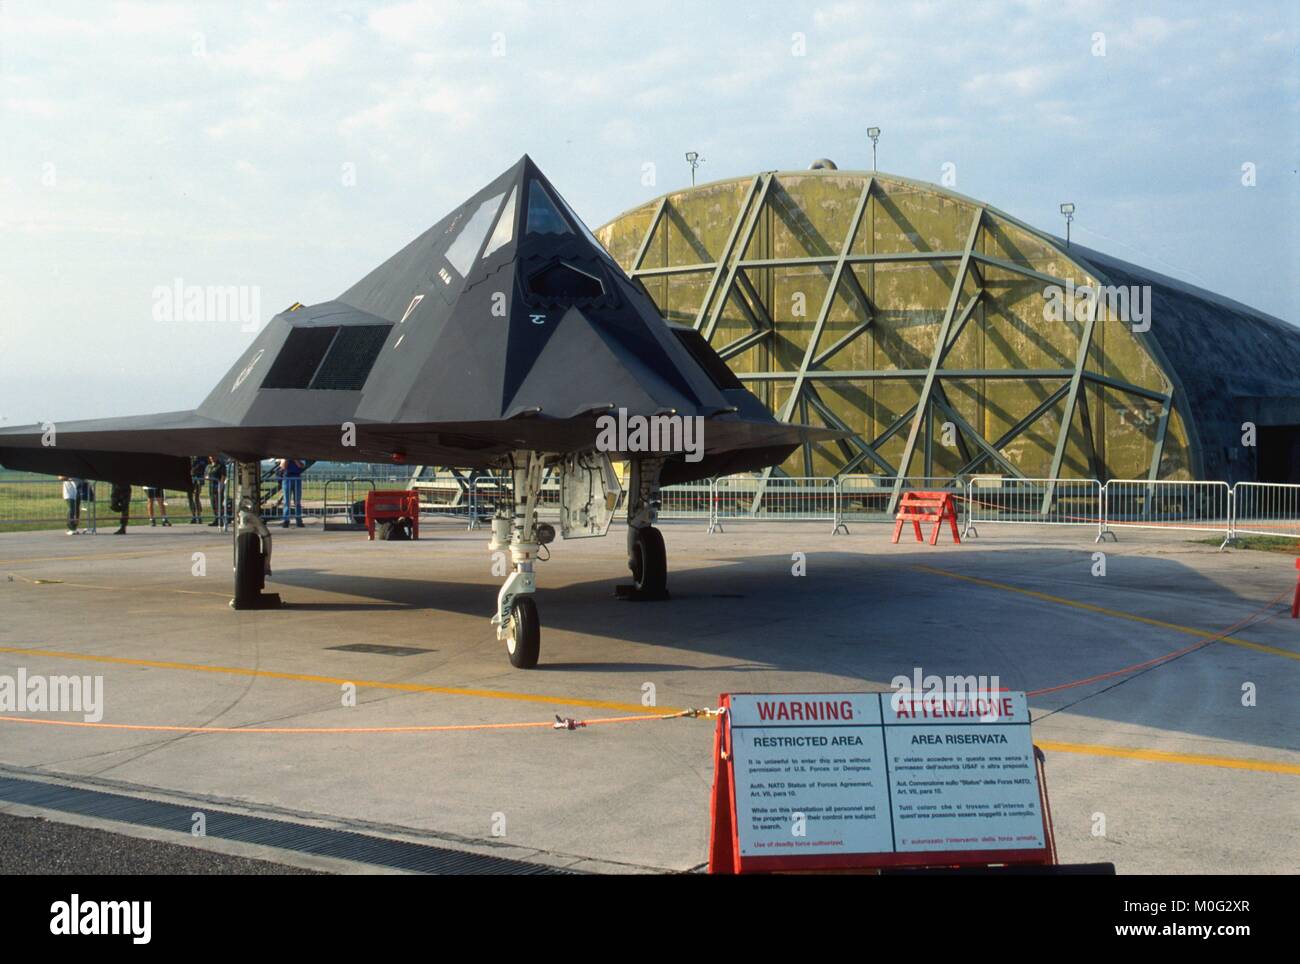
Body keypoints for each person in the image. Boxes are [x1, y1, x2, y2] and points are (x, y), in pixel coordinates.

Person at [279, 457, 305, 528]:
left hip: (297, 477)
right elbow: (283, 466)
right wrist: (287, 459)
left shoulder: (300, 456)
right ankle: (286, 520)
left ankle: (298, 520)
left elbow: (301, 466)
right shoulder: (284, 457)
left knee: (297, 501)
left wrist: (295, 459)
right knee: (287, 501)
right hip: (287, 478)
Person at [206, 457, 227, 528]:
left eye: (213, 456)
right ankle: (216, 519)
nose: (212, 458)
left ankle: (221, 520)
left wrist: (221, 485)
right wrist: (207, 477)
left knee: (219, 503)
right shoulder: (208, 466)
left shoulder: (221, 465)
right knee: (213, 503)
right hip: (211, 487)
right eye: (210, 457)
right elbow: (205, 475)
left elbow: (223, 475)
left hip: (218, 486)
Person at [188, 456, 206, 524]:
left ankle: (199, 516)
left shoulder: (200, 457)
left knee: (196, 497)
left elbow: (202, 466)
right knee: (190, 498)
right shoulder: (189, 457)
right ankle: (193, 516)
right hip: (190, 480)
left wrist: (193, 469)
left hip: (198, 479)